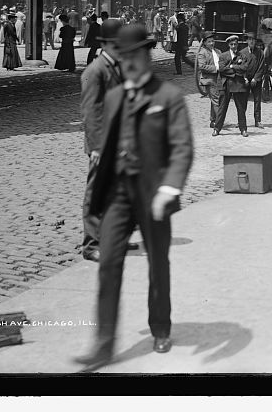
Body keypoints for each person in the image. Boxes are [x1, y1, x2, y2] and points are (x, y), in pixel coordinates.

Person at [75, 23, 194, 367]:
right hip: (119, 195)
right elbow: (107, 145)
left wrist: (169, 188)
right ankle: (104, 343)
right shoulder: (113, 97)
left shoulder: (168, 97)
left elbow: (182, 148)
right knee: (109, 263)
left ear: (146, 55)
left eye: (133, 56)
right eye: (123, 57)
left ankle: (160, 328)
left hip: (153, 193)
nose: (127, 63)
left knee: (158, 264)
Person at [79, 17, 126, 262]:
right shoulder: (95, 71)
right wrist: (96, 147)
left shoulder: (116, 68)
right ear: (107, 44)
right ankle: (91, 245)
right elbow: (90, 113)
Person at [213, 35, 250, 136]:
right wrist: (235, 71)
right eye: (231, 44)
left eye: (235, 44)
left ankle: (243, 129)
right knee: (222, 107)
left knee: (241, 108)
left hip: (238, 84)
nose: (234, 46)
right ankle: (217, 128)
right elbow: (221, 69)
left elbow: (245, 67)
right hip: (225, 84)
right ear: (228, 45)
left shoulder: (242, 56)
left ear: (237, 44)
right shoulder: (223, 56)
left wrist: (232, 66)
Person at [196, 31, 223, 128]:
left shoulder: (218, 51)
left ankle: (213, 121)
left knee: (214, 100)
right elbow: (202, 66)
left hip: (219, 79)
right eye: (209, 42)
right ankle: (220, 122)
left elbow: (223, 62)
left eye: (213, 41)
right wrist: (216, 68)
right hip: (209, 79)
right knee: (217, 100)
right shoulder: (202, 53)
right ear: (204, 43)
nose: (212, 43)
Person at [243, 31, 267, 129]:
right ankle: (241, 120)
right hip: (245, 80)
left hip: (256, 80)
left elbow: (261, 66)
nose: (251, 42)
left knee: (257, 100)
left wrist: (255, 78)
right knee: (243, 100)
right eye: (250, 40)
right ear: (247, 41)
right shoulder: (243, 52)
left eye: (253, 40)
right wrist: (244, 77)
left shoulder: (260, 52)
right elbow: (240, 66)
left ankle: (258, 121)